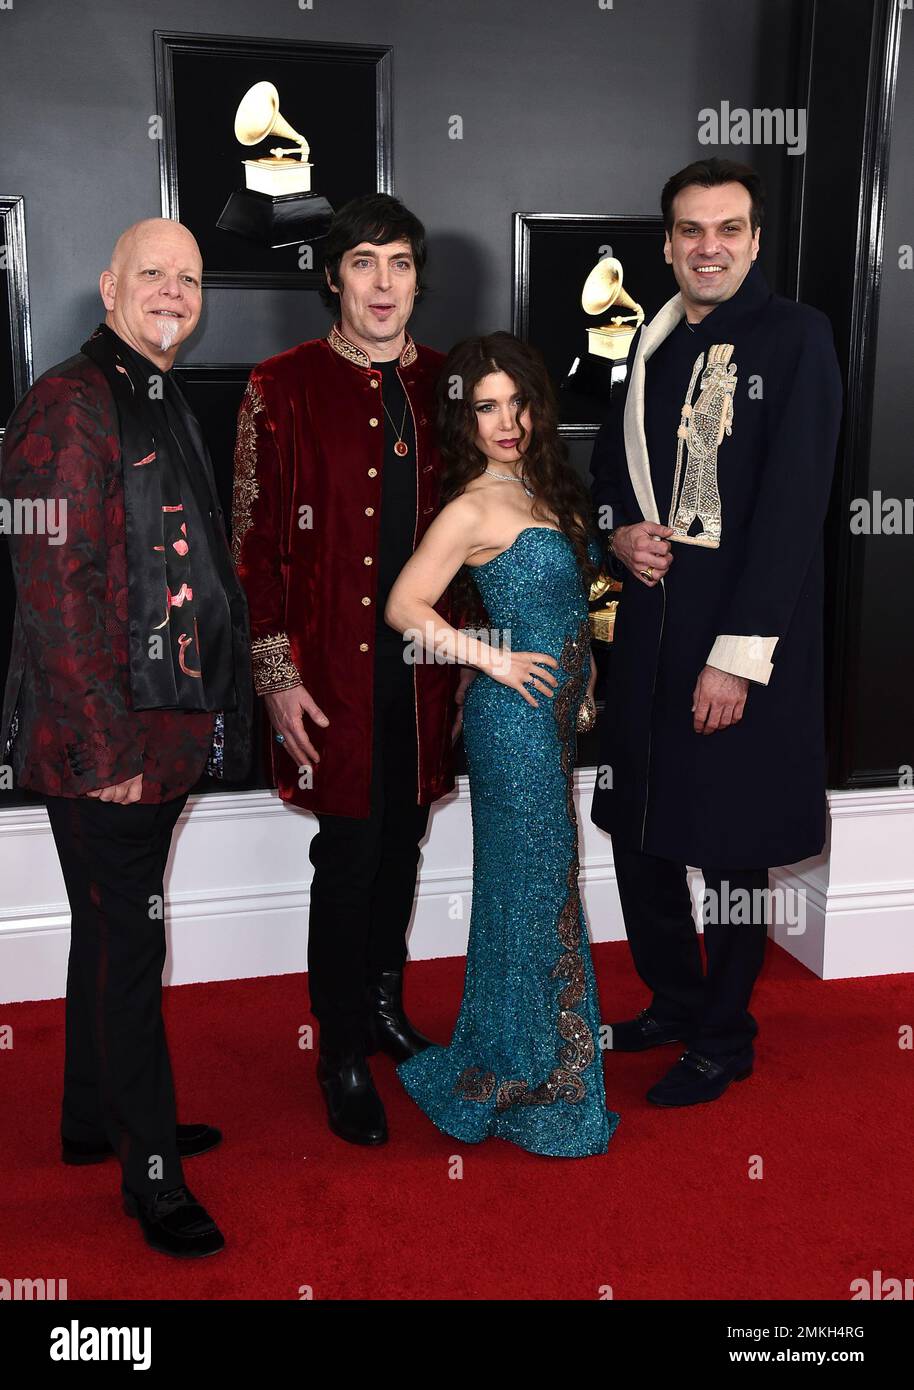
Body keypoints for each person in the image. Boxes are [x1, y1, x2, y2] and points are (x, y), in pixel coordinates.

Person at [0, 218, 252, 1256]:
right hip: (103, 748)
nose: (172, 292)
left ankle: (86, 1120)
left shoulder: (150, 389)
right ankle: (151, 1174)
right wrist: (105, 754)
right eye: (152, 274)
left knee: (110, 937)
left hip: (158, 734)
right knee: (129, 947)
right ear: (109, 284)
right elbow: (53, 599)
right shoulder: (67, 402)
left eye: (188, 279)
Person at [590, 158, 843, 1106]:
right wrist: (616, 527)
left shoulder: (798, 338)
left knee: (733, 841)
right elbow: (610, 466)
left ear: (755, 239)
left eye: (728, 228)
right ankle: (675, 998)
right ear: (667, 244)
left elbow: (792, 512)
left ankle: (727, 1032)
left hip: (744, 642)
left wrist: (736, 660)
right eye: (691, 231)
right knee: (641, 829)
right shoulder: (642, 347)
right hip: (648, 631)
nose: (709, 246)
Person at [232, 194, 457, 1147]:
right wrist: (275, 669)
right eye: (363, 262)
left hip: (427, 674)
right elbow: (253, 541)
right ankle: (338, 1052)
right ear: (333, 276)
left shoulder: (450, 384)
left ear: (416, 279)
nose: (382, 283)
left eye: (399, 263)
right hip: (328, 673)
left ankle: (381, 1005)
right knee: (350, 856)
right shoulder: (280, 385)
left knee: (402, 845)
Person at [387, 332, 619, 1158]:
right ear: (466, 419)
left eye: (517, 402)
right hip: (510, 722)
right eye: (486, 407)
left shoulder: (545, 487)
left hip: (551, 724)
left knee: (537, 885)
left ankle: (524, 1056)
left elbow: (576, 605)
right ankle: (528, 1072)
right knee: (536, 888)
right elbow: (406, 607)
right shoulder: (471, 506)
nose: (506, 420)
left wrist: (583, 683)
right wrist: (491, 655)